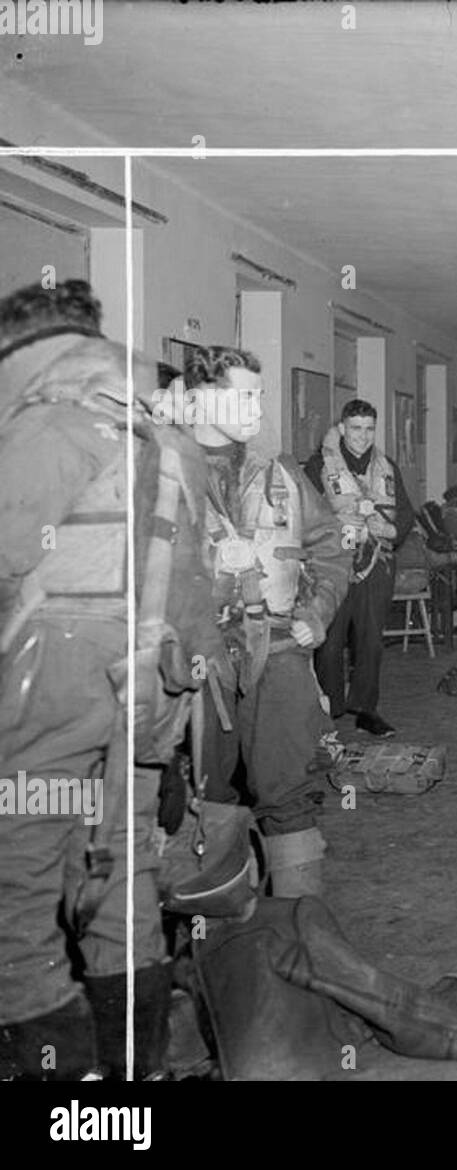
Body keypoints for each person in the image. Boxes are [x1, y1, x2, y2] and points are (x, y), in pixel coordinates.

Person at [0, 280, 221, 1079]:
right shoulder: (166, 440)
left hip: (50, 685)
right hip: (141, 692)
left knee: (15, 891)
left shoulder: (50, 426)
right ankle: (131, 1092)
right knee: (121, 882)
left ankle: (68, 1102)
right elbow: (197, 587)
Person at [188, 345, 351, 899]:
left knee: (290, 792)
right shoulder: (159, 478)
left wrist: (316, 612)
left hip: (277, 649)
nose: (258, 408)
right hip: (197, 663)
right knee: (203, 795)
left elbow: (330, 548)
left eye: (260, 395)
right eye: (245, 396)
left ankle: (302, 930)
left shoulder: (280, 472)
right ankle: (219, 936)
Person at [305, 398, 414, 738]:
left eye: (369, 429)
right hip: (333, 563)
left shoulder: (387, 467)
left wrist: (391, 531)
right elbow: (305, 514)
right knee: (331, 641)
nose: (363, 436)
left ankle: (367, 708)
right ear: (342, 428)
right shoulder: (317, 466)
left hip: (376, 562)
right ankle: (329, 708)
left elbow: (407, 513)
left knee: (370, 641)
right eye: (356, 428)